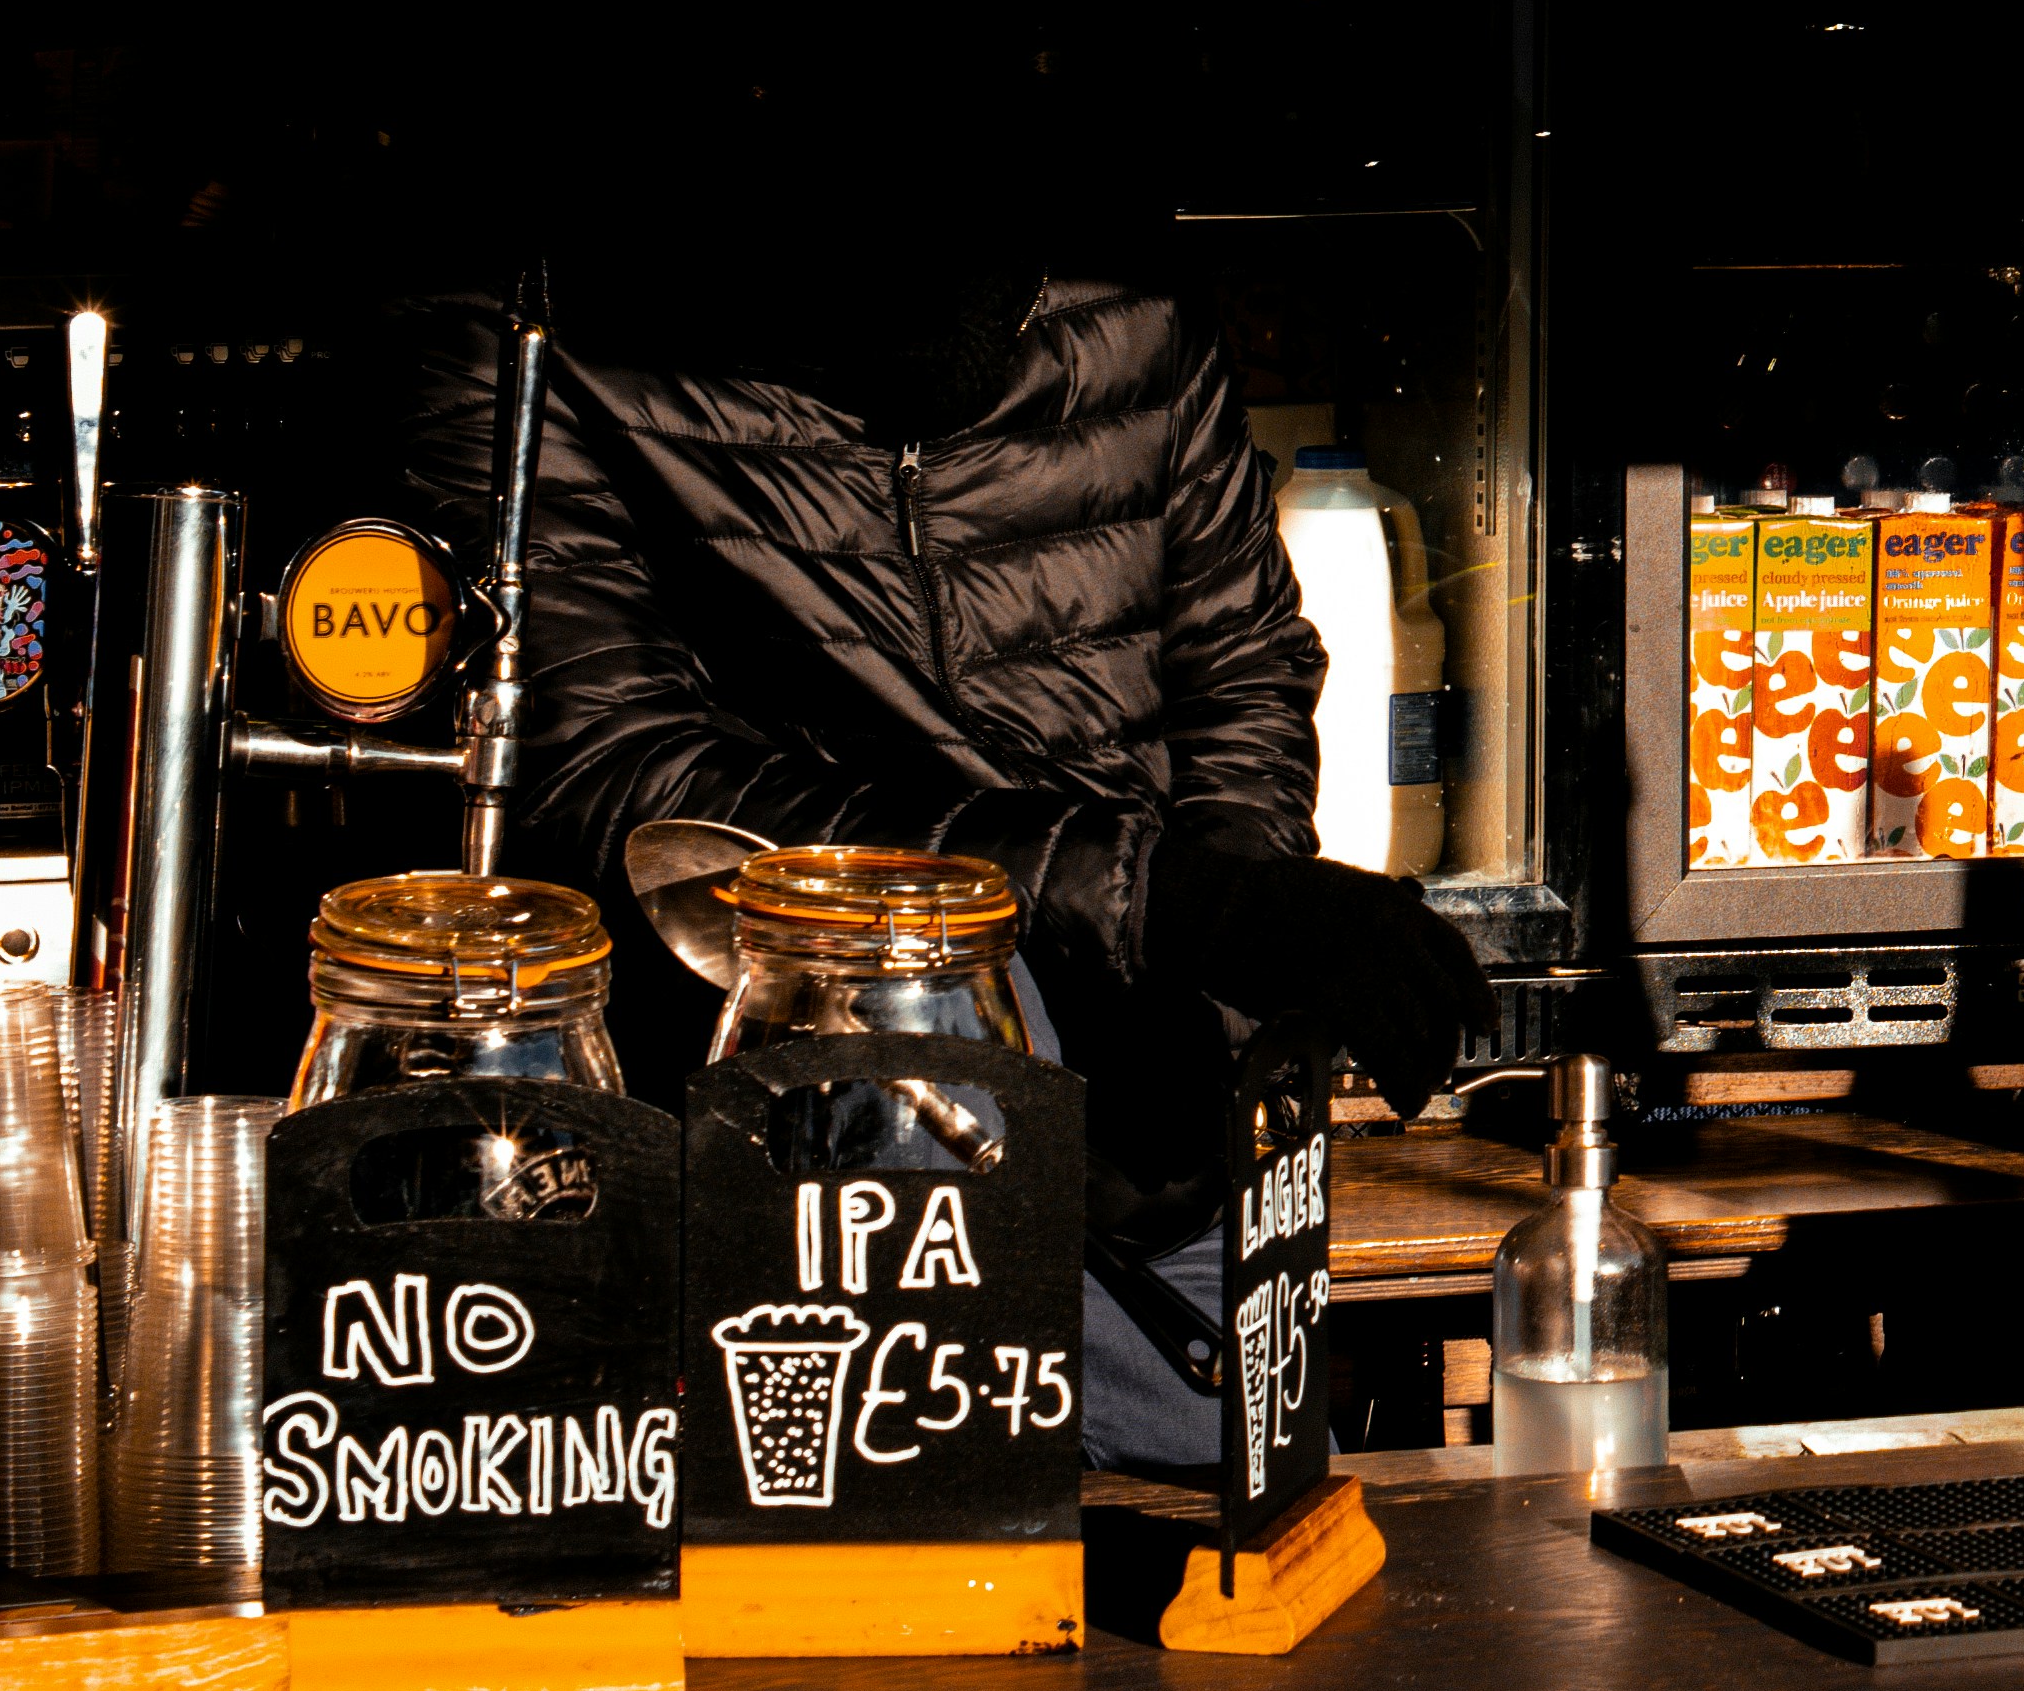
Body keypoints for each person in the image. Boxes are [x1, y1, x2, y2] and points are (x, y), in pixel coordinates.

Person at [405, 255, 1488, 1472]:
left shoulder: (1128, 305)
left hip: (1154, 1131)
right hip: (821, 1157)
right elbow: (617, 772)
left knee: (1251, 1582)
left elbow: (1238, 668)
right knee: (909, 1602)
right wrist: (1164, 902)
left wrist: (1243, 952)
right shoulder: (551, 318)